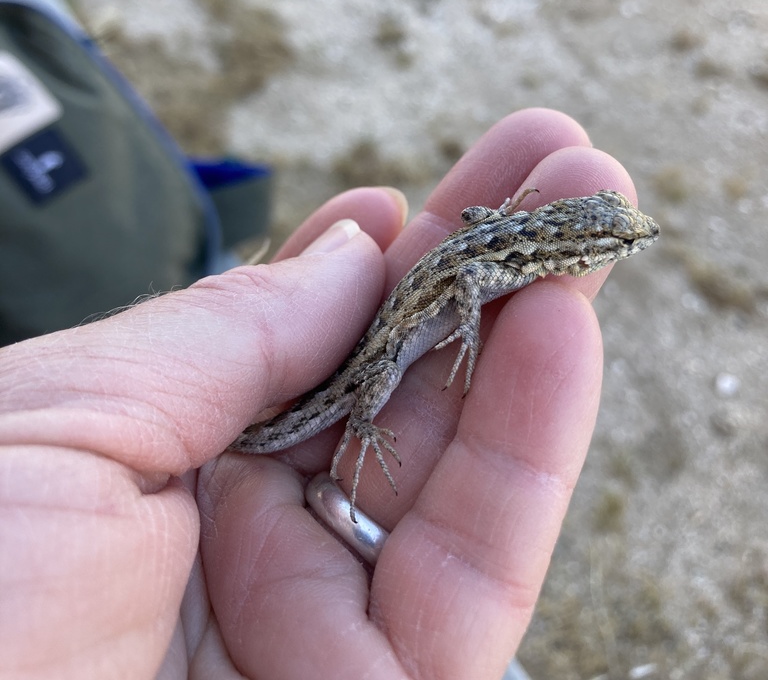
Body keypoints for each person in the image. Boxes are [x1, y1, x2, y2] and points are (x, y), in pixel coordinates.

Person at [0, 108, 639, 679]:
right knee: (379, 378)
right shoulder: (517, 257)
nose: (634, 241)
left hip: (418, 309)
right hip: (383, 346)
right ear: (585, 247)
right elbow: (471, 274)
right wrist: (467, 329)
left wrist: (493, 246)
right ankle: (358, 425)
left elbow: (475, 234)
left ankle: (353, 422)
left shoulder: (520, 242)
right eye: (624, 241)